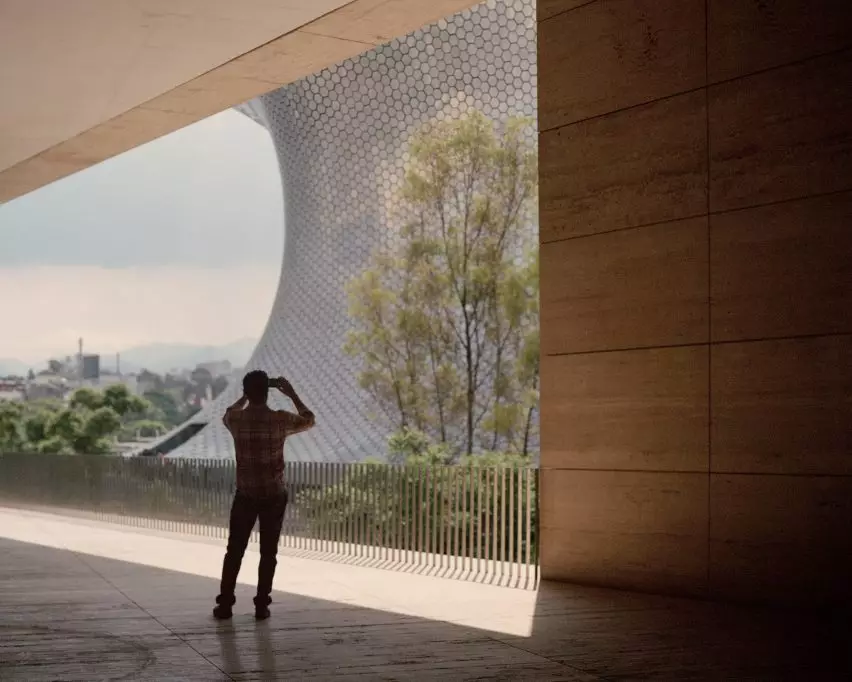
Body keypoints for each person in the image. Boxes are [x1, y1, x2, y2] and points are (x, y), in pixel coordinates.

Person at [213, 370, 315, 620]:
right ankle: (261, 605)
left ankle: (225, 604)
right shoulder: (280, 420)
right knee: (268, 552)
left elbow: (226, 413)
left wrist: (243, 398)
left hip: (245, 494)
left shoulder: (237, 419)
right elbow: (309, 419)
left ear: (247, 392)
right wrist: (291, 394)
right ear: (268, 392)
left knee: (234, 550)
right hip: (273, 495)